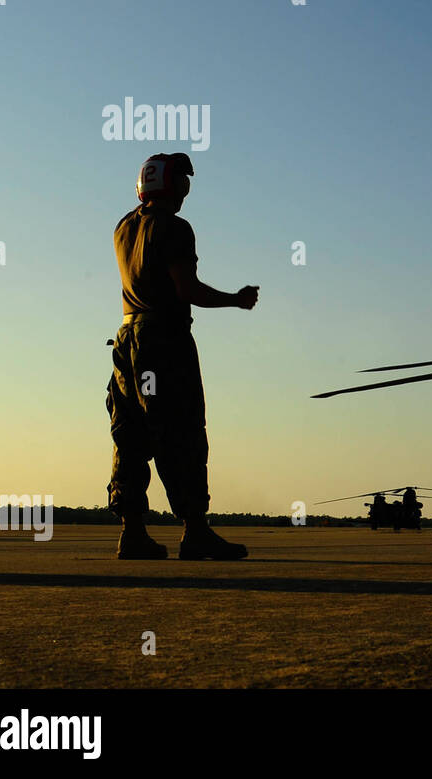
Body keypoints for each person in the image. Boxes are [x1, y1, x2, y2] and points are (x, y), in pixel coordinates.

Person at [105, 153, 259, 560]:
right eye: (183, 185)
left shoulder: (124, 227)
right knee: (182, 430)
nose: (186, 194)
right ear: (172, 187)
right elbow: (186, 290)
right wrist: (236, 300)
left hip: (126, 340)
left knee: (131, 435)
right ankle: (194, 530)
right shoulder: (173, 228)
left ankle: (132, 532)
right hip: (163, 340)